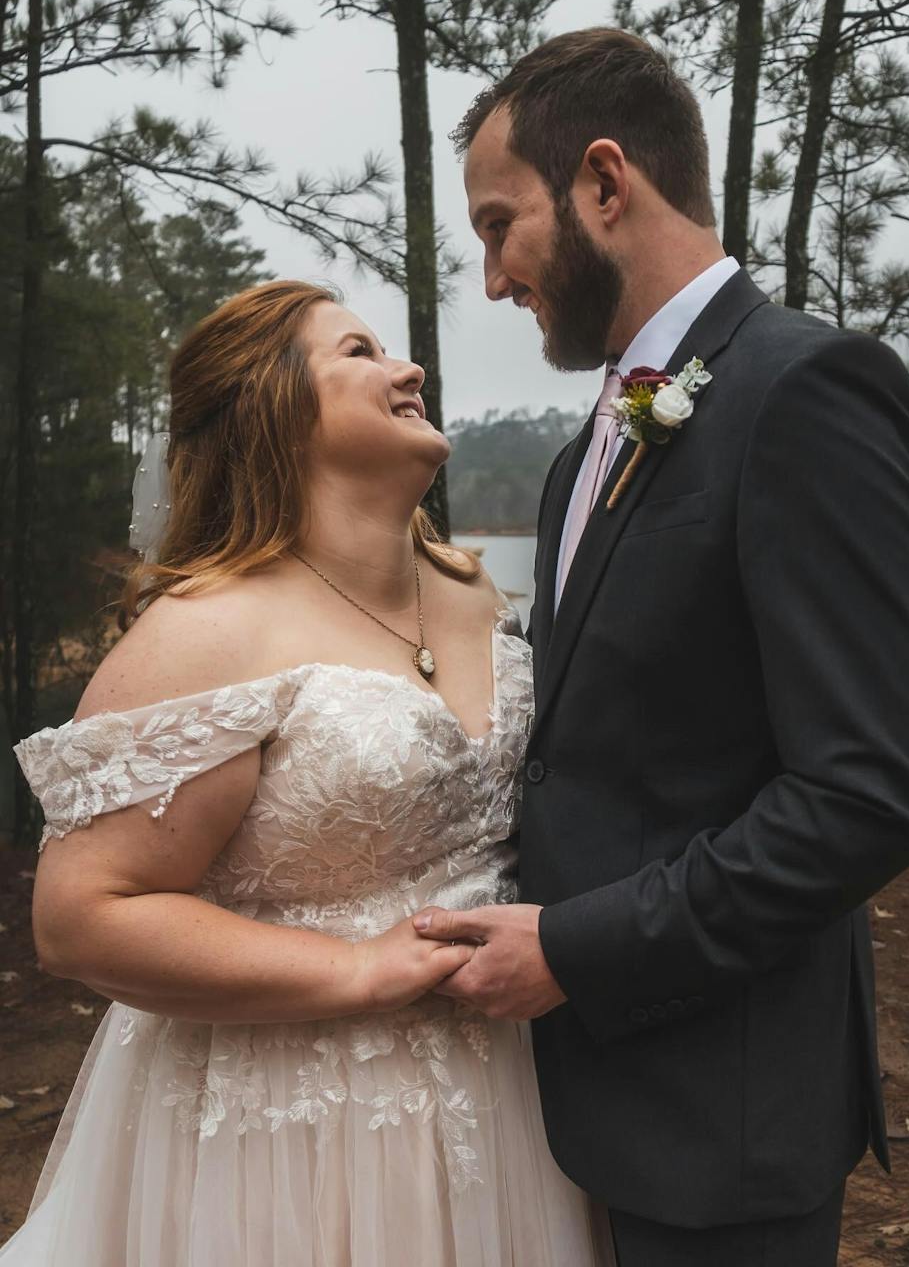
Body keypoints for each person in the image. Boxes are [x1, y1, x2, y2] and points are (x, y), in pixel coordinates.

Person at [412, 28, 909, 1267]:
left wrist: (574, 949)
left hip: (726, 1114)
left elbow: (874, 788)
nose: (492, 277)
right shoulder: (575, 462)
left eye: (500, 226)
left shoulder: (808, 390)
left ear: (604, 183)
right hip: (575, 1106)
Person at [4, 280, 613, 1266]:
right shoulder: (206, 629)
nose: (408, 368)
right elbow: (79, 915)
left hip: (508, 1102)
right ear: (275, 410)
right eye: (361, 351)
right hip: (286, 1130)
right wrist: (355, 967)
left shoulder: (473, 590)